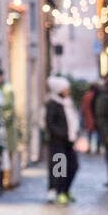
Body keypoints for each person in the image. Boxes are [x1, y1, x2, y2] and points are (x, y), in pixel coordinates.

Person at [43, 75, 81, 204]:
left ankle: (65, 189)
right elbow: (50, 123)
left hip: (69, 141)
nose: (68, 91)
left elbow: (74, 119)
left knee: (73, 166)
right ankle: (58, 191)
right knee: (59, 168)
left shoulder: (68, 102)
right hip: (58, 142)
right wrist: (61, 134)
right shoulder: (53, 104)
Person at [81, 82, 101, 154]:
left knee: (89, 133)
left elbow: (83, 107)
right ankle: (98, 148)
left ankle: (89, 147)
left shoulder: (87, 95)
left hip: (88, 117)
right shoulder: (98, 95)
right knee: (98, 133)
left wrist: (83, 115)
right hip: (96, 116)